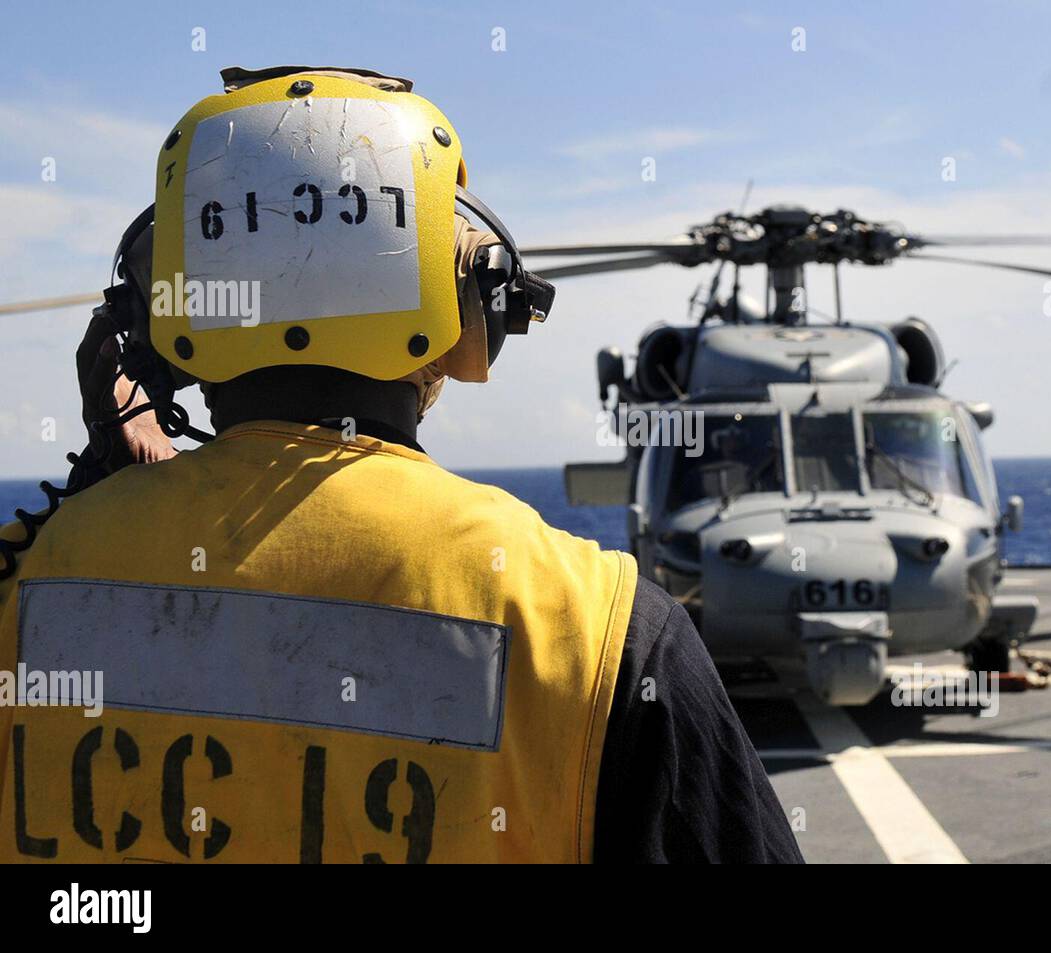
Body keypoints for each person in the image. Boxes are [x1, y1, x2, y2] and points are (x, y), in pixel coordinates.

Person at [0, 66, 800, 864]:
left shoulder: (25, 584)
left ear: (159, 313)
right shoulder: (601, 630)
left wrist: (95, 507)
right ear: (464, 303)